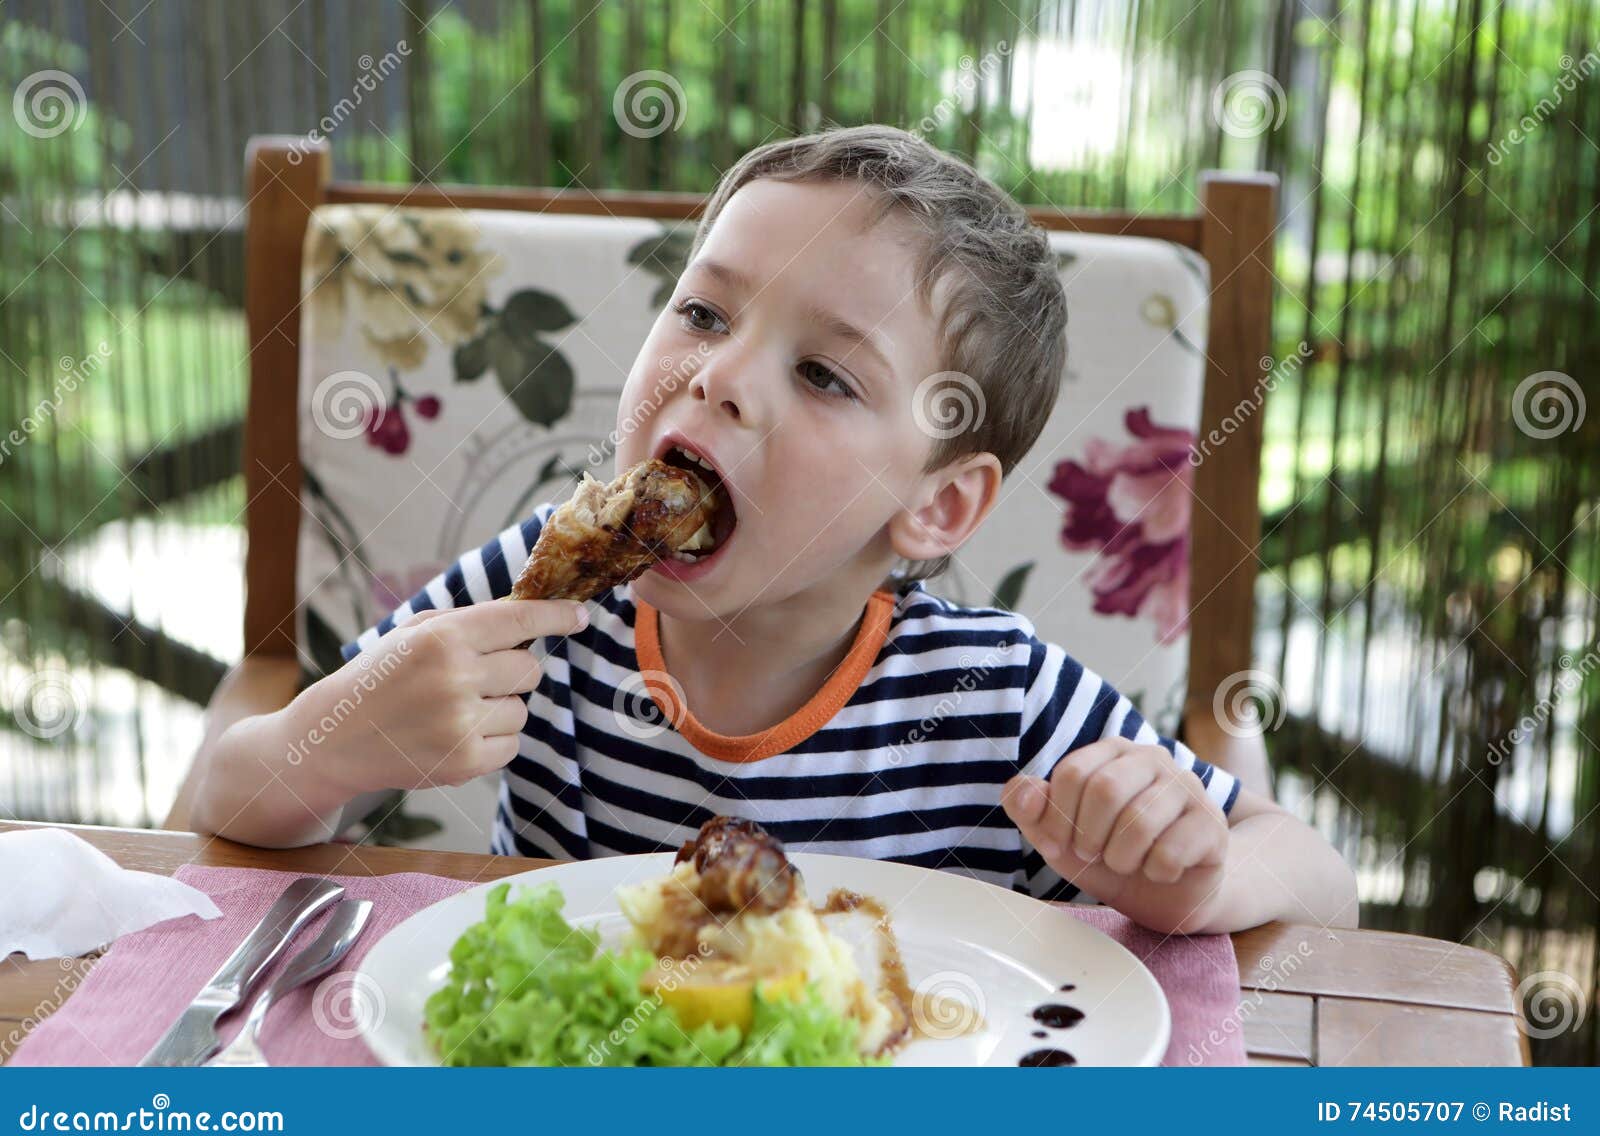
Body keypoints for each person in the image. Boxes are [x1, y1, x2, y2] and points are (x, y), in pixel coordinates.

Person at [193, 125, 1356, 935]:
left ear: (937, 504)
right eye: (702, 311)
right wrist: (338, 741)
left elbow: (1320, 882)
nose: (720, 378)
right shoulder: (534, 597)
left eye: (822, 372)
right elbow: (229, 797)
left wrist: (1189, 876)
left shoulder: (991, 695)